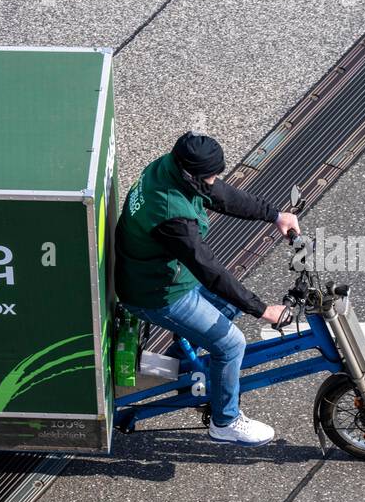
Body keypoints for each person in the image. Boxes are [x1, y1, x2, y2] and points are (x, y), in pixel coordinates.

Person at [113, 132, 300, 446]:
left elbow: (220, 194)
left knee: (231, 304)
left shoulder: (170, 166)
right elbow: (209, 270)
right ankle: (225, 422)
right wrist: (264, 310)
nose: (213, 181)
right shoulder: (171, 215)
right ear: (190, 174)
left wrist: (275, 215)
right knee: (231, 345)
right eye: (208, 176)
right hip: (156, 294)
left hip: (163, 275)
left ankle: (182, 372)